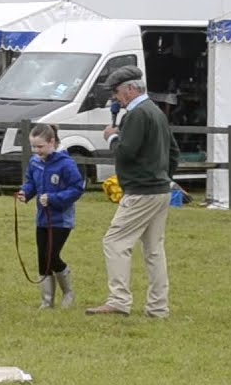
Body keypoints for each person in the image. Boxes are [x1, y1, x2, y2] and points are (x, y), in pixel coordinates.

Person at [87, 65, 179, 318]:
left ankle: (119, 300)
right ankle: (158, 307)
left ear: (130, 89)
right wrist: (164, 177)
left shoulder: (136, 115)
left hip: (141, 190)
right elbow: (174, 152)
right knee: (154, 249)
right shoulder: (156, 112)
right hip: (160, 189)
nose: (115, 98)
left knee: (115, 242)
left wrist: (112, 137)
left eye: (116, 92)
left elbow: (126, 152)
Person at [15, 123, 84, 308]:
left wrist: (54, 198)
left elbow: (77, 188)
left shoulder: (66, 163)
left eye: (40, 146)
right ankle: (47, 301)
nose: (37, 151)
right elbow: (31, 182)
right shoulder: (35, 162)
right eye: (33, 147)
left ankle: (68, 293)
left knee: (53, 256)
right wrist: (25, 193)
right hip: (42, 219)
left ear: (52, 142)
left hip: (61, 220)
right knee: (42, 258)